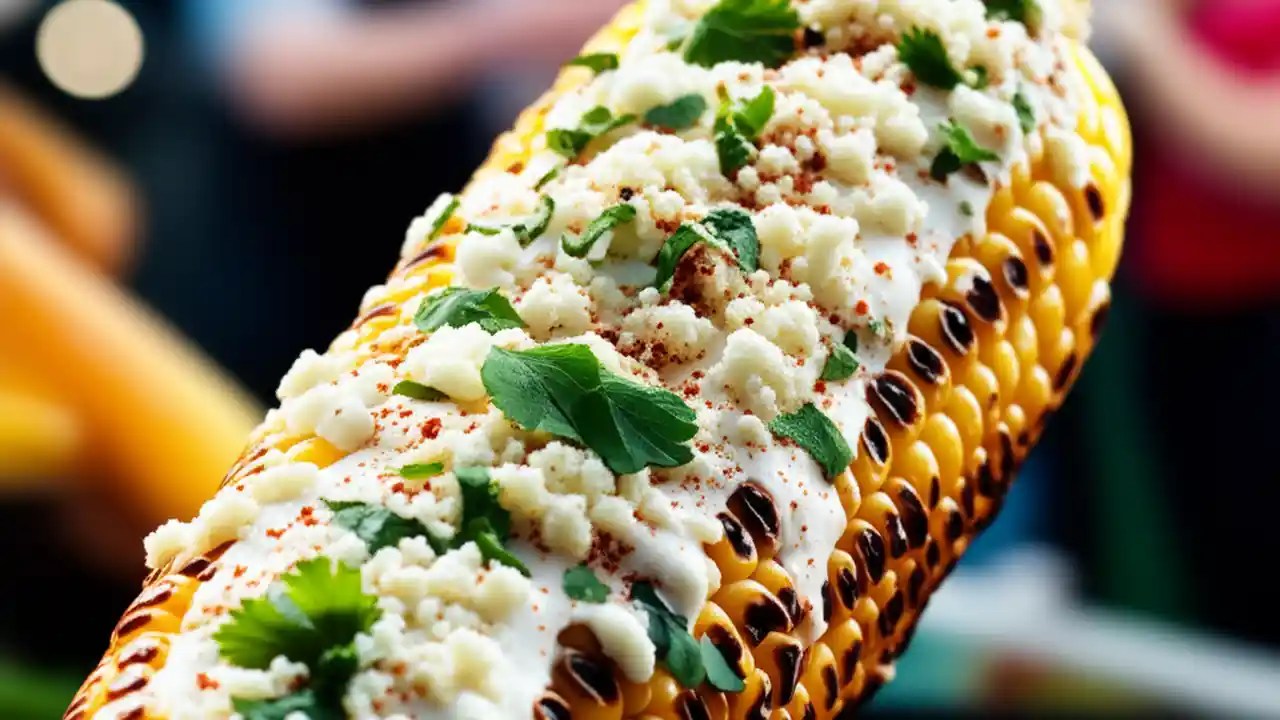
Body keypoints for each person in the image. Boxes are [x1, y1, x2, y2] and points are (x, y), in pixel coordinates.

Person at [1095, 0, 1280, 647]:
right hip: (1179, 309)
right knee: (1212, 560)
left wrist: (1144, 39)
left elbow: (1267, 154)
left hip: (1261, 323)